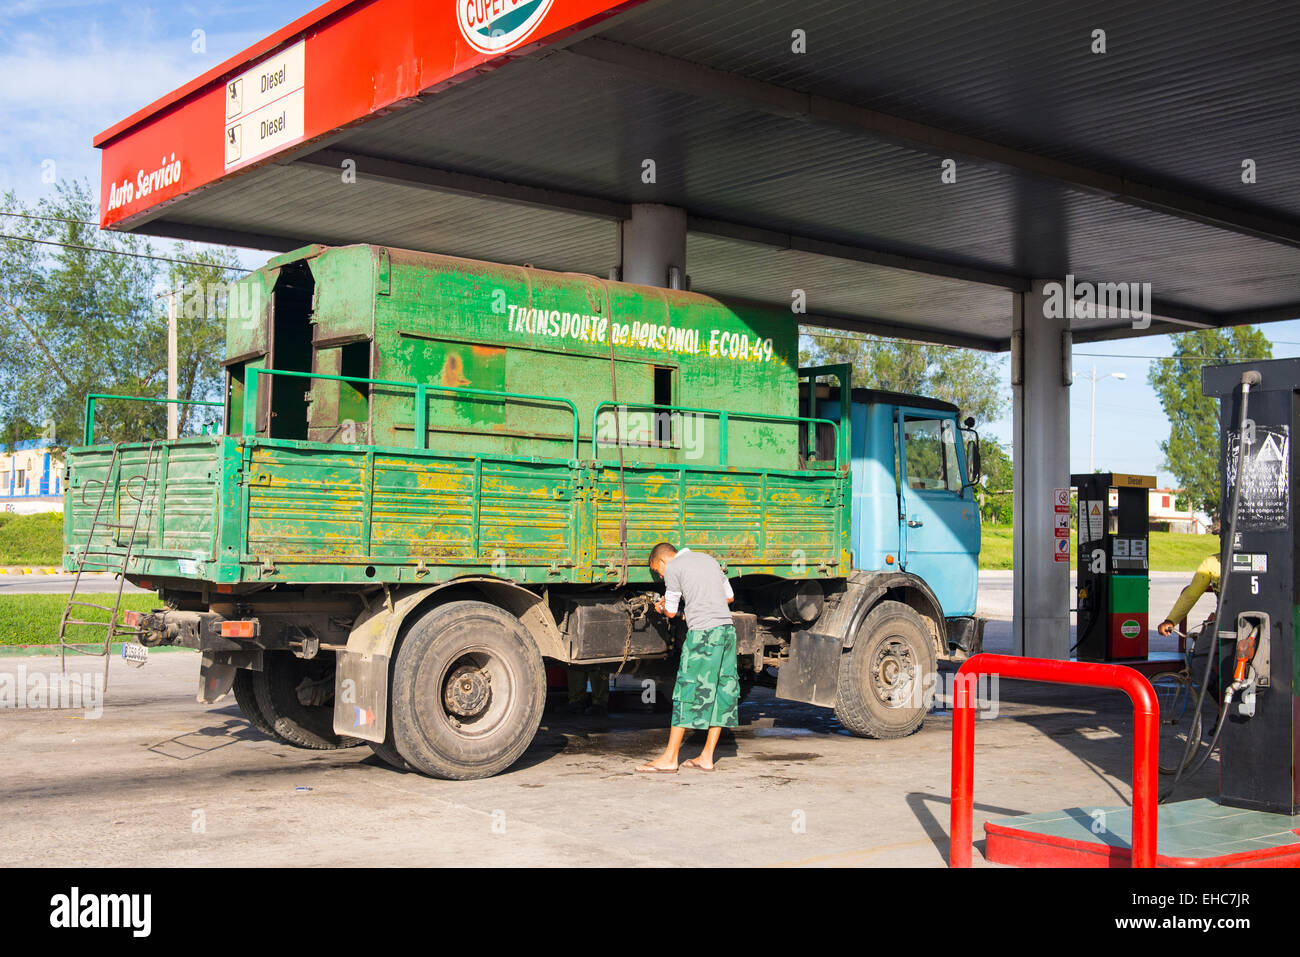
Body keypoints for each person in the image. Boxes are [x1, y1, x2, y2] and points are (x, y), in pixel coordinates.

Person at [636, 543, 739, 773]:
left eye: (657, 571)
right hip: (727, 631)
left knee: (687, 689)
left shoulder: (674, 568)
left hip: (703, 634)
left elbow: (671, 611)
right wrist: (692, 608)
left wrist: (660, 608)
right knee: (721, 691)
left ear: (662, 561)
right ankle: (706, 757)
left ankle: (670, 757)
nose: (660, 575)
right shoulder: (708, 560)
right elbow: (729, 597)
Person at [1157, 553, 1220, 637]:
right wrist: (1170, 620)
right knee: (1202, 648)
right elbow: (1192, 594)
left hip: (1241, 619)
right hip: (1221, 619)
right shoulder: (1212, 562)